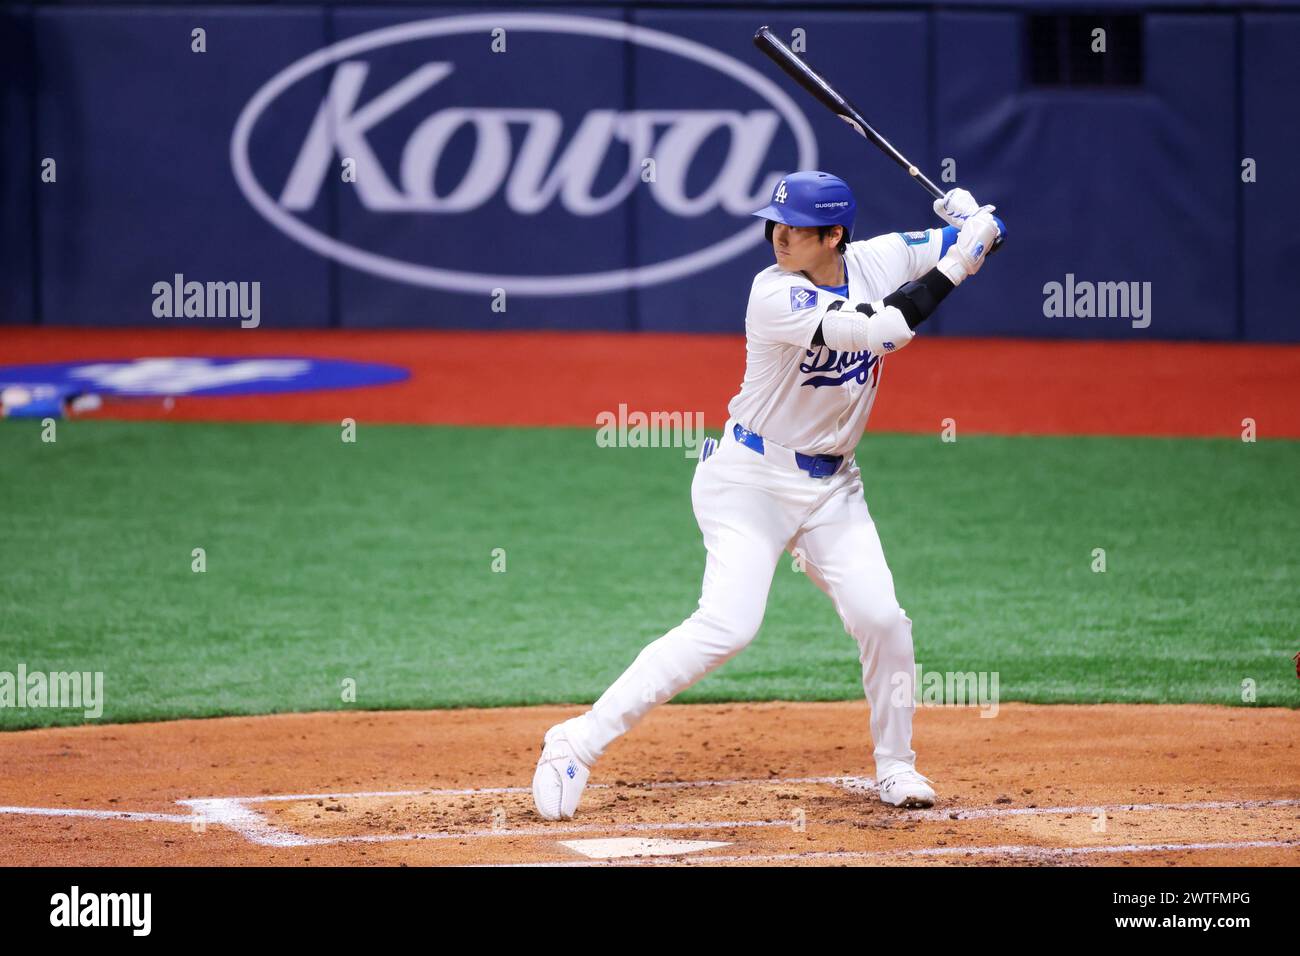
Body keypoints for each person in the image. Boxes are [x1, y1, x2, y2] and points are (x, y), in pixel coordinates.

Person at [532, 170, 1004, 818]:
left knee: (884, 619)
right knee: (728, 625)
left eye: (796, 227)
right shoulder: (773, 294)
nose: (779, 234)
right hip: (747, 482)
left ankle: (896, 768)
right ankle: (575, 741)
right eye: (775, 222)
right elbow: (889, 328)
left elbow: (960, 241)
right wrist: (965, 254)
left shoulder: (876, 259)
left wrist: (972, 221)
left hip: (832, 486)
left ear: (834, 235)